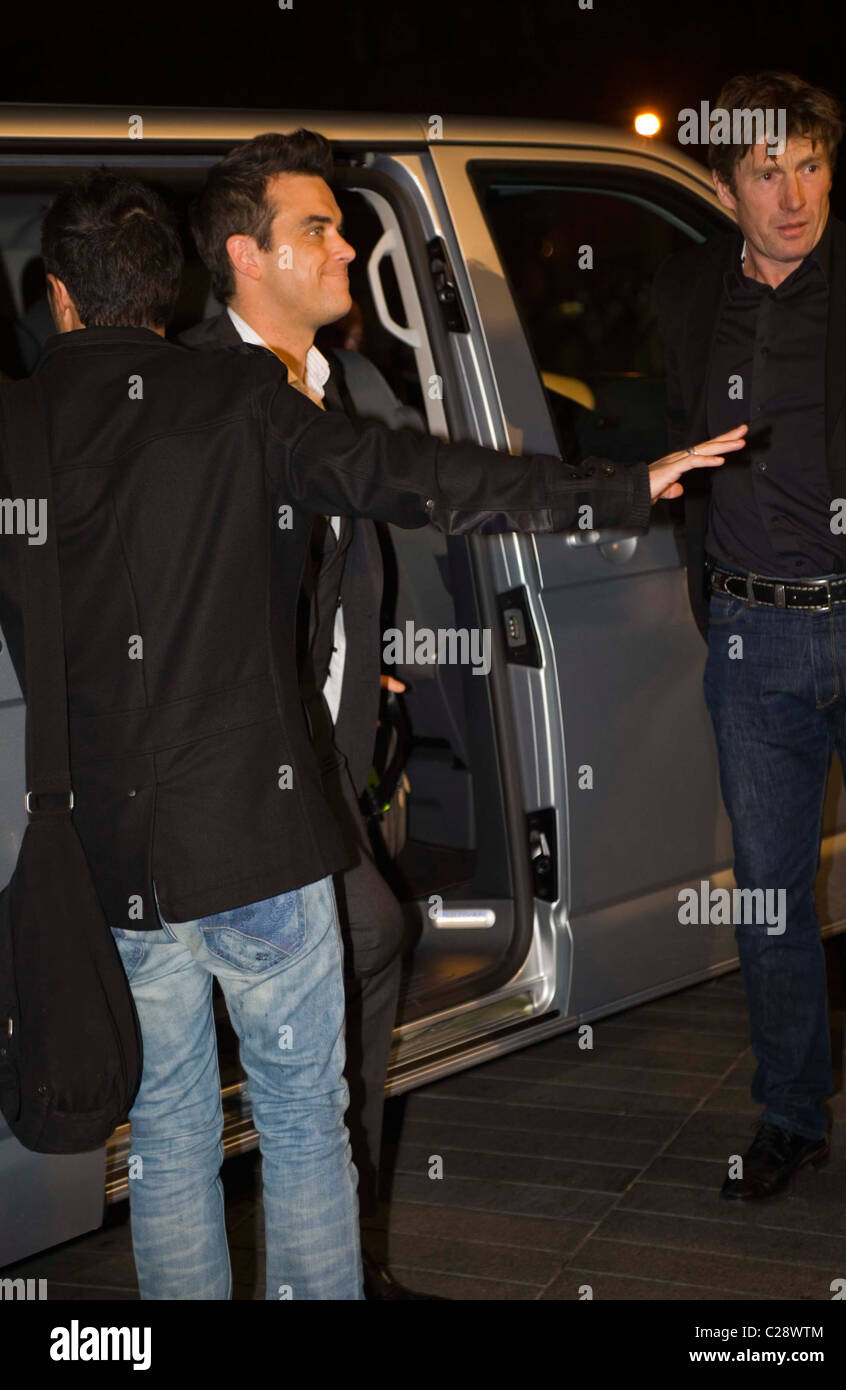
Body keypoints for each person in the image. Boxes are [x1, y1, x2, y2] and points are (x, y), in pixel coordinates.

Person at [0, 169, 740, 1300]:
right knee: (303, 1127)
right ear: (171, 289)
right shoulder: (239, 400)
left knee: (167, 1135)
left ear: (56, 295)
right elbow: (420, 478)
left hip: (110, 860)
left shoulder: (17, 428)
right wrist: (618, 489)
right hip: (255, 842)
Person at [180, 131, 426, 1298]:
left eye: (344, 222)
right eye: (319, 228)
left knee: (366, 950)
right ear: (248, 255)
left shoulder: (344, 385)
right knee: (346, 958)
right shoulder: (185, 395)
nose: (348, 243)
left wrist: (364, 664)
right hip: (232, 774)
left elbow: (348, 563)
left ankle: (332, 1250)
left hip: (323, 755)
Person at [653, 70, 846, 1200]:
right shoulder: (687, 297)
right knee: (770, 899)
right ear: (722, 185)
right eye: (764, 172)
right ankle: (790, 1115)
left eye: (810, 164)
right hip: (750, 636)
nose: (793, 195)